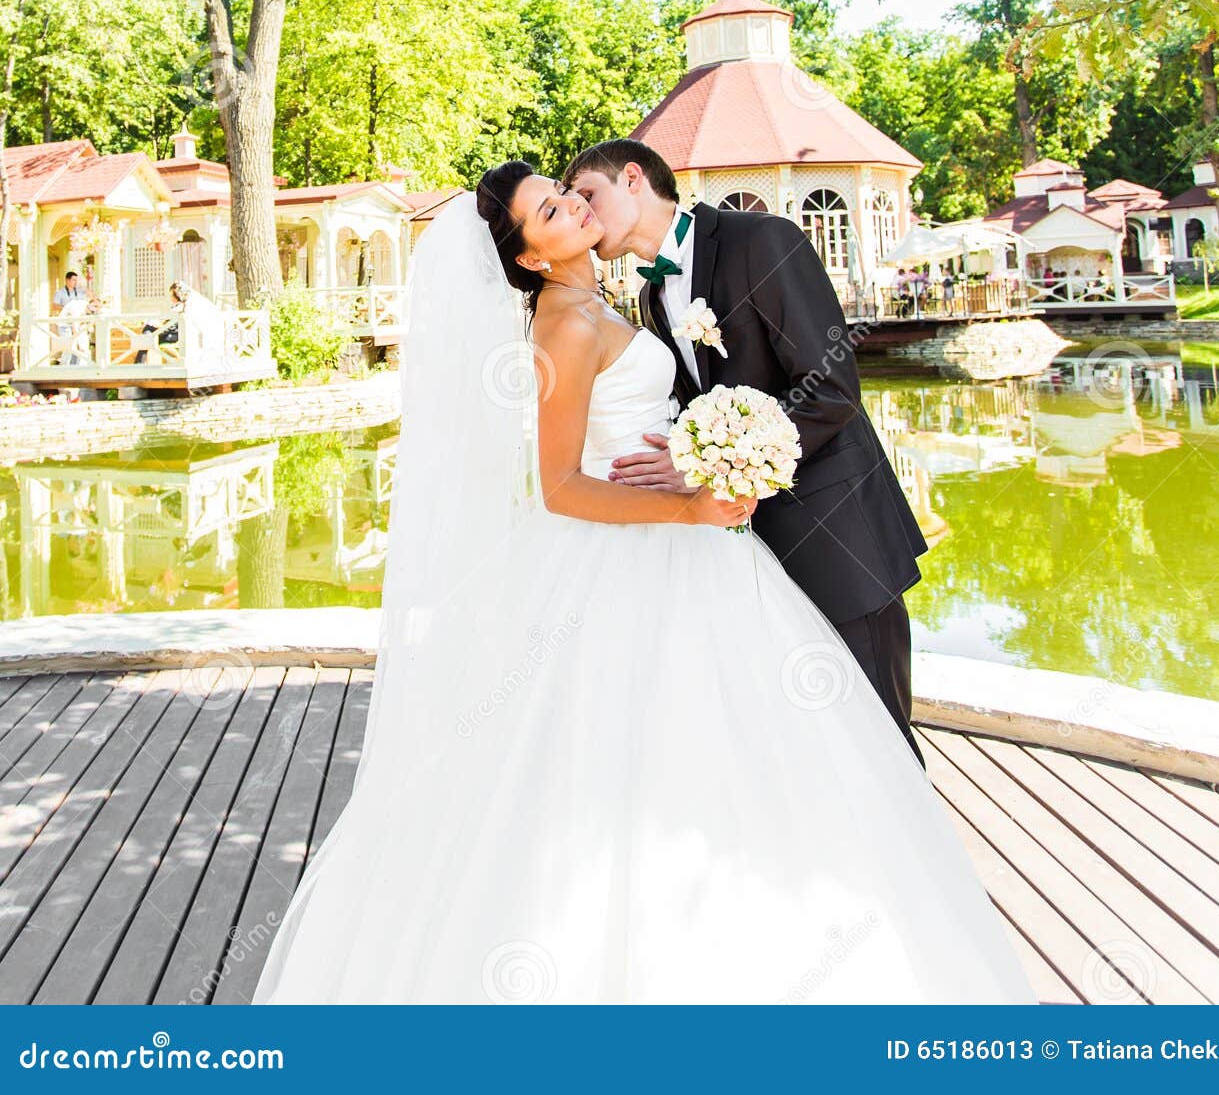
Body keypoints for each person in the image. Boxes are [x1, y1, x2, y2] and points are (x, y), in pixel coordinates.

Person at [250, 176, 1036, 1005]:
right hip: (636, 553)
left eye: (562, 192)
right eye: (550, 212)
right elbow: (557, 485)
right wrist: (697, 507)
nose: (571, 206)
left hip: (696, 543)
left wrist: (711, 465)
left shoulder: (618, 300)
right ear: (526, 255)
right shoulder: (562, 323)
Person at [565, 139, 928, 765]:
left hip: (838, 531)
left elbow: (830, 390)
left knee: (881, 733)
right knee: (816, 736)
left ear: (633, 179)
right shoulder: (654, 297)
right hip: (751, 548)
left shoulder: (762, 239)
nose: (583, 215)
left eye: (588, 196)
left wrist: (701, 463)